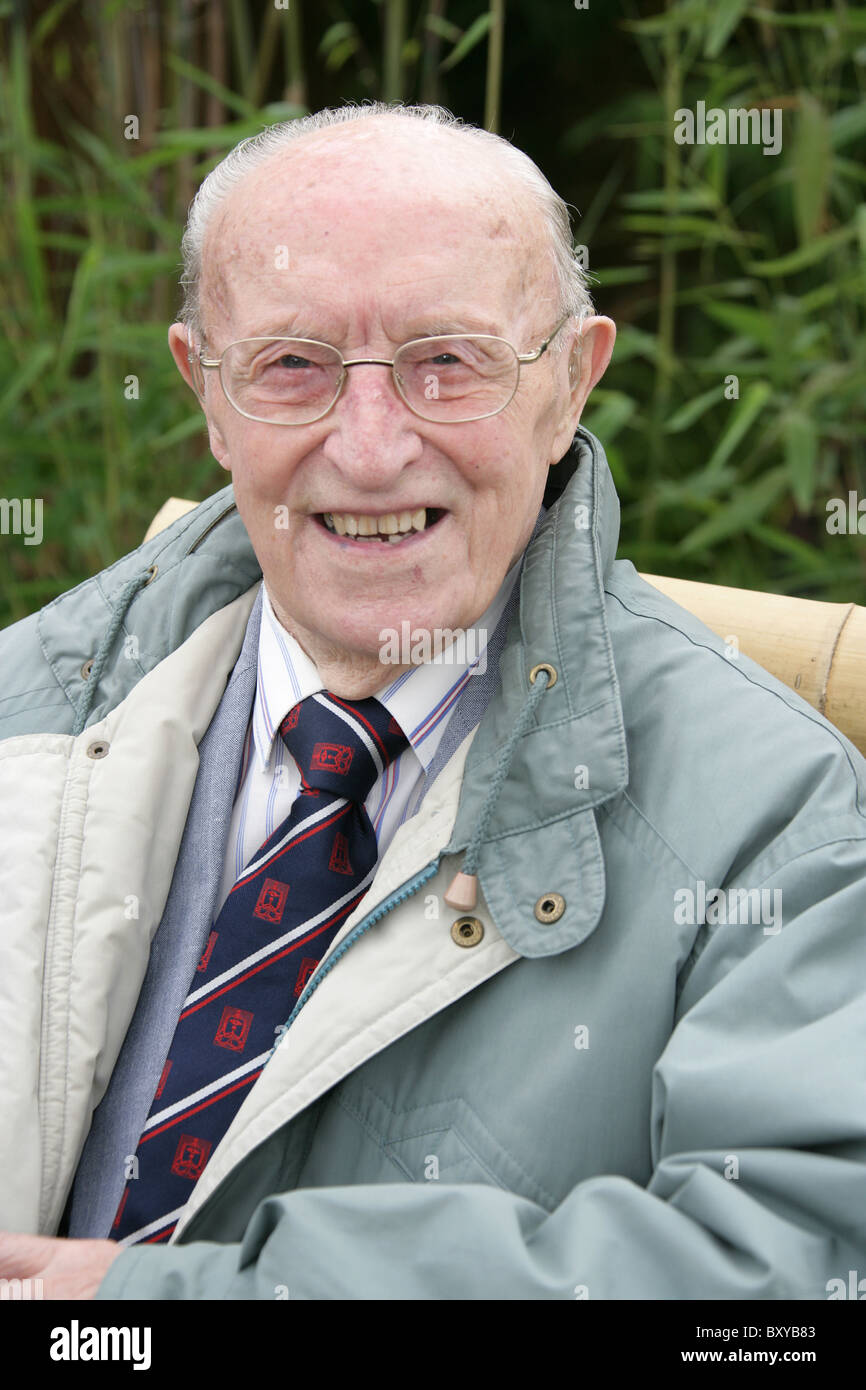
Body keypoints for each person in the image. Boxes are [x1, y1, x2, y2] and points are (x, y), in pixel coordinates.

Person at [0, 101, 864, 1302]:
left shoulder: (783, 825)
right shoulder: (27, 711)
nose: (365, 449)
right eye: (293, 365)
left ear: (570, 385)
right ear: (205, 391)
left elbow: (795, 1275)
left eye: (444, 363)